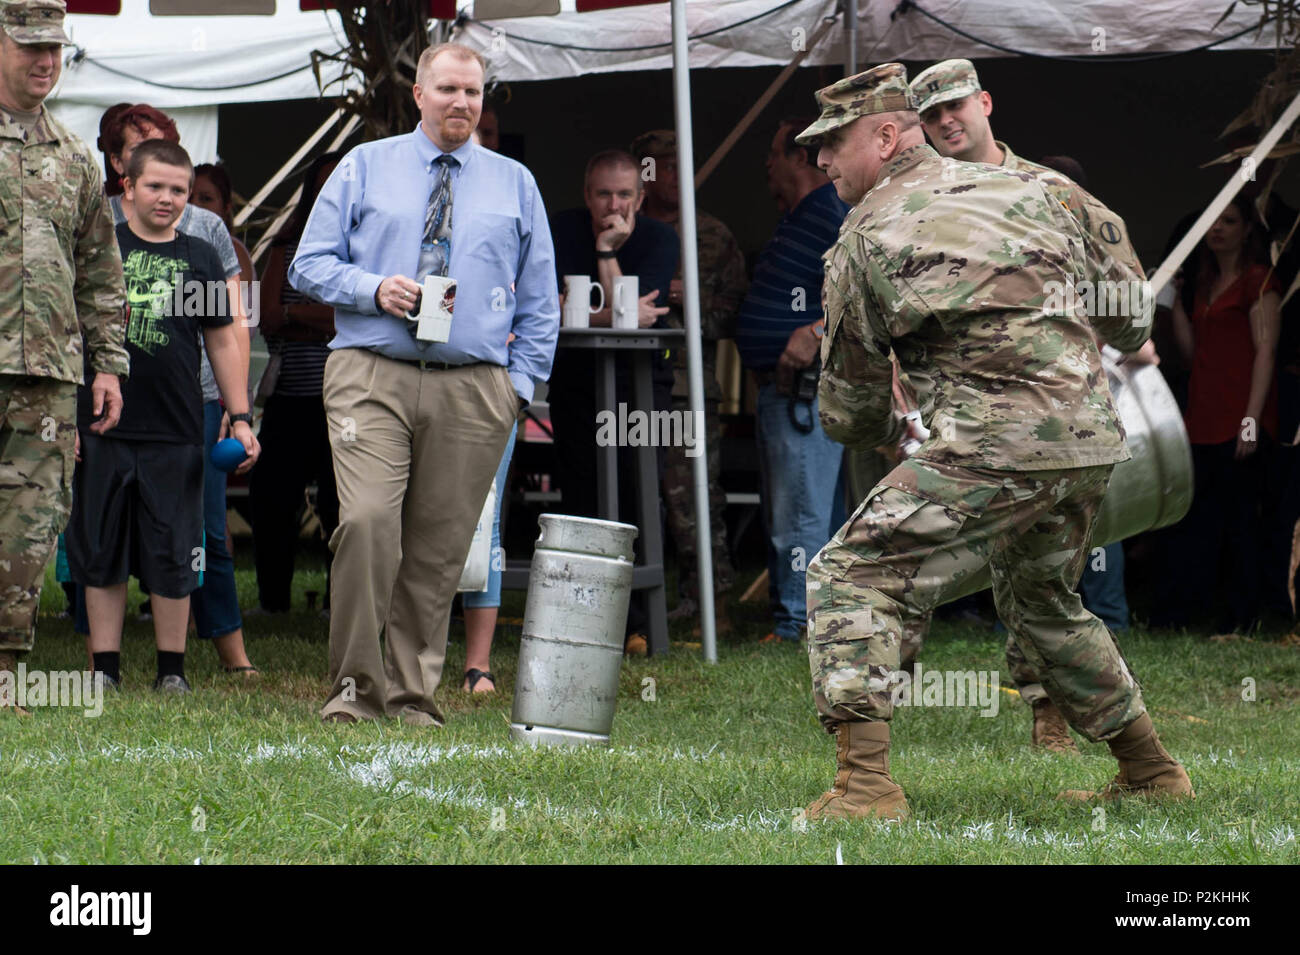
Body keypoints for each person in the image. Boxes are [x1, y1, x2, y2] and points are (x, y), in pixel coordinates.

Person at [796, 63, 1192, 820]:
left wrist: (892, 428)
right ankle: (1150, 769)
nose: (820, 160)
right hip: (1089, 440)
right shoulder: (1041, 189)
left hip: (995, 444)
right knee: (1042, 599)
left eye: (832, 142)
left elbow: (849, 410)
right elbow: (1131, 320)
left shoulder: (865, 235)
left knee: (851, 572)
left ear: (885, 137)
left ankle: (867, 786)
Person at [290, 42, 558, 725]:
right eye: (447, 90)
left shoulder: (514, 182)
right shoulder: (363, 166)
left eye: (472, 92)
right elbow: (306, 265)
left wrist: (517, 388)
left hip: (473, 385)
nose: (461, 103)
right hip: (370, 371)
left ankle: (412, 696)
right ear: (418, 93)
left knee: (439, 545)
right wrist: (372, 286)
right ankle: (353, 693)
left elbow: (539, 299)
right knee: (368, 521)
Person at [909, 59, 1155, 752]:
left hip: (1058, 419)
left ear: (985, 102)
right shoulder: (917, 209)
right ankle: (1068, 717)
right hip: (967, 424)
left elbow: (1131, 312)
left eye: (956, 105)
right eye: (930, 115)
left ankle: (1067, 714)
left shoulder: (1056, 195)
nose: (947, 121)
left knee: (1046, 580)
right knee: (1019, 575)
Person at [65, 140, 260, 693]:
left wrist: (239, 415)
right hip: (102, 421)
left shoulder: (200, 256)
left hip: (177, 427)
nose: (168, 199)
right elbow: (69, 332)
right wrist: (69, 418)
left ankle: (170, 670)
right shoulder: (100, 247)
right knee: (100, 547)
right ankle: (104, 669)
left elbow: (222, 342)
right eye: (155, 186)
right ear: (126, 184)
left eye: (179, 190)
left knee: (176, 550)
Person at [0, 0, 129, 714]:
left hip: (47, 374)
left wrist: (107, 364)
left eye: (54, 48)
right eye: (28, 46)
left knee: (27, 528)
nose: (44, 60)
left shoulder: (77, 157)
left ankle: (6, 674)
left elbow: (100, 273)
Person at [547, 149, 679, 655]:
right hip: (577, 385)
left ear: (641, 198)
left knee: (638, 496)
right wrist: (609, 311)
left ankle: (638, 625)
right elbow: (556, 311)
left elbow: (633, 319)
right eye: (604, 193)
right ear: (586, 195)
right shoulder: (560, 228)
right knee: (581, 496)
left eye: (625, 194)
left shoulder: (660, 238)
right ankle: (582, 619)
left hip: (643, 389)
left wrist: (606, 254)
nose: (614, 204)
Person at [734, 118, 850, 645]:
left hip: (806, 387)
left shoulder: (833, 210)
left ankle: (796, 625)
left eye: (772, 157)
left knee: (799, 512)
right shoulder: (802, 215)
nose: (765, 168)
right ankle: (806, 618)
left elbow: (869, 285)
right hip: (782, 389)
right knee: (801, 508)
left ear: (801, 158)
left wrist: (819, 329)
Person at [630, 129, 747, 636]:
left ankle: (711, 607)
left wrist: (684, 303)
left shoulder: (711, 235)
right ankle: (640, 608)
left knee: (693, 501)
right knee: (636, 500)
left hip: (685, 388)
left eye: (681, 165)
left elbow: (734, 316)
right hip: (627, 385)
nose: (673, 176)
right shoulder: (623, 230)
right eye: (662, 166)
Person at [1167, 196, 1281, 635]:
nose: (1217, 229)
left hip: (1241, 416)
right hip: (1205, 413)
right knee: (1203, 517)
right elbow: (1193, 354)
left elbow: (1266, 351)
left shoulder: (1259, 281)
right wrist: (1177, 304)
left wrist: (1251, 420)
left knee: (1241, 520)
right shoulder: (1206, 282)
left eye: (1228, 222)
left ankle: (1244, 617)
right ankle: (1199, 611)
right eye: (1213, 221)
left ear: (1247, 230)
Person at [251, 152, 342, 618]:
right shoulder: (285, 247)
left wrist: (301, 316)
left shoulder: (364, 248)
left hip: (344, 399)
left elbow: (350, 320)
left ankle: (337, 603)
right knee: (271, 498)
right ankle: (272, 601)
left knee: (341, 503)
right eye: (322, 185)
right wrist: (322, 322)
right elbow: (268, 316)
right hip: (289, 398)